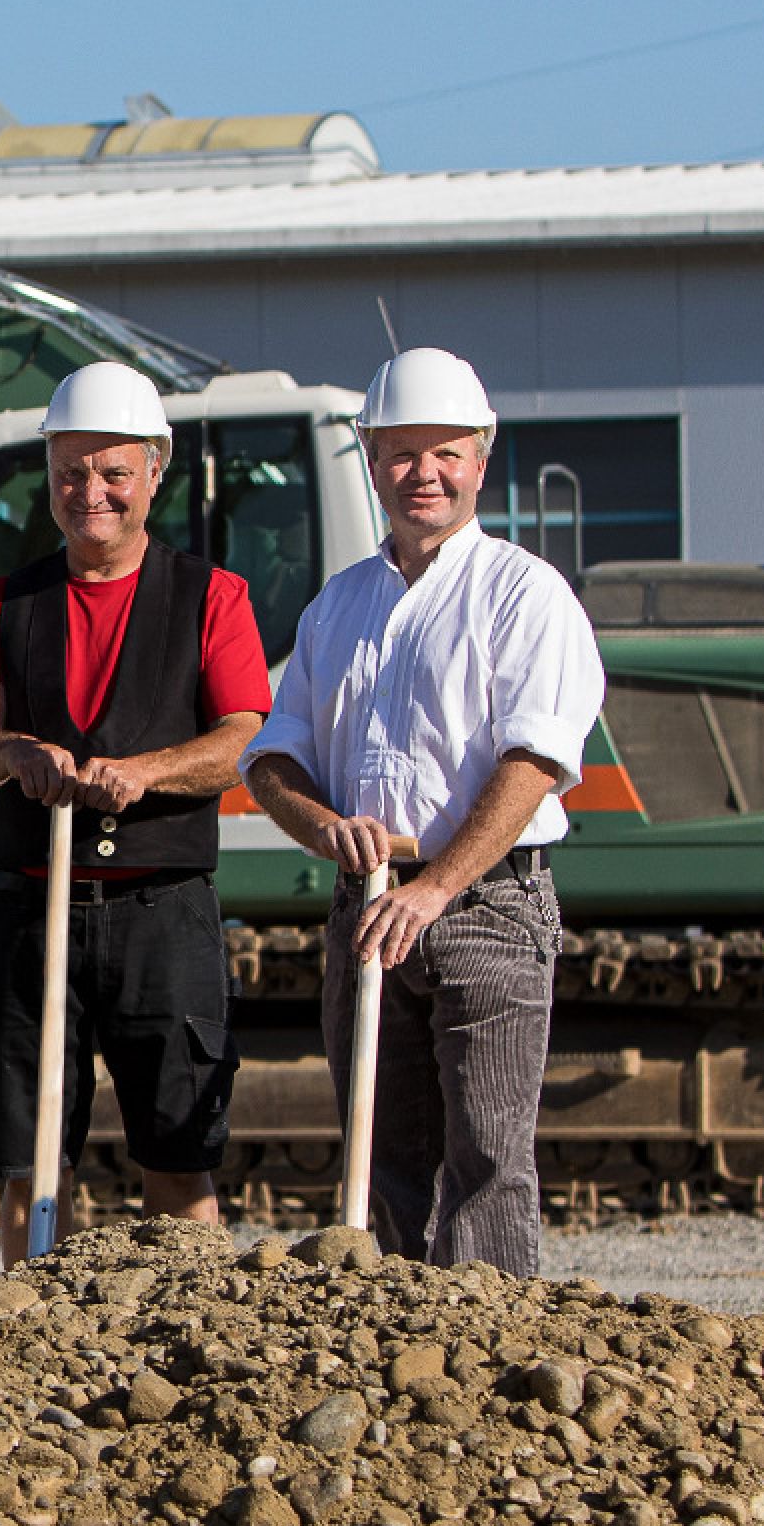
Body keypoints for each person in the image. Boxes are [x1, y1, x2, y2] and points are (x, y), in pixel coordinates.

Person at [242, 348, 603, 1276]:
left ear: (482, 458)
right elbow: (273, 757)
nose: (424, 475)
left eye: (445, 453)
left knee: (486, 1160)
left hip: (485, 907)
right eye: (402, 454)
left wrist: (436, 886)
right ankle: (401, 1370)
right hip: (364, 904)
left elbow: (533, 763)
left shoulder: (525, 595)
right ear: (370, 461)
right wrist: (322, 826)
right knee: (381, 1159)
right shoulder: (337, 606)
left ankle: (487, 1371)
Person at [0, 364, 272, 1263]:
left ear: (154, 472)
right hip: (31, 905)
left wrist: (147, 771)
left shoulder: (215, 598)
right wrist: (14, 753)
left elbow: (240, 739)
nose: (91, 493)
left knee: (178, 1148)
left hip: (161, 909)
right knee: (29, 1157)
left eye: (113, 472)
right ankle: (28, 1336)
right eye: (70, 473)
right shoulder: (0, 606)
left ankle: (191, 1335)